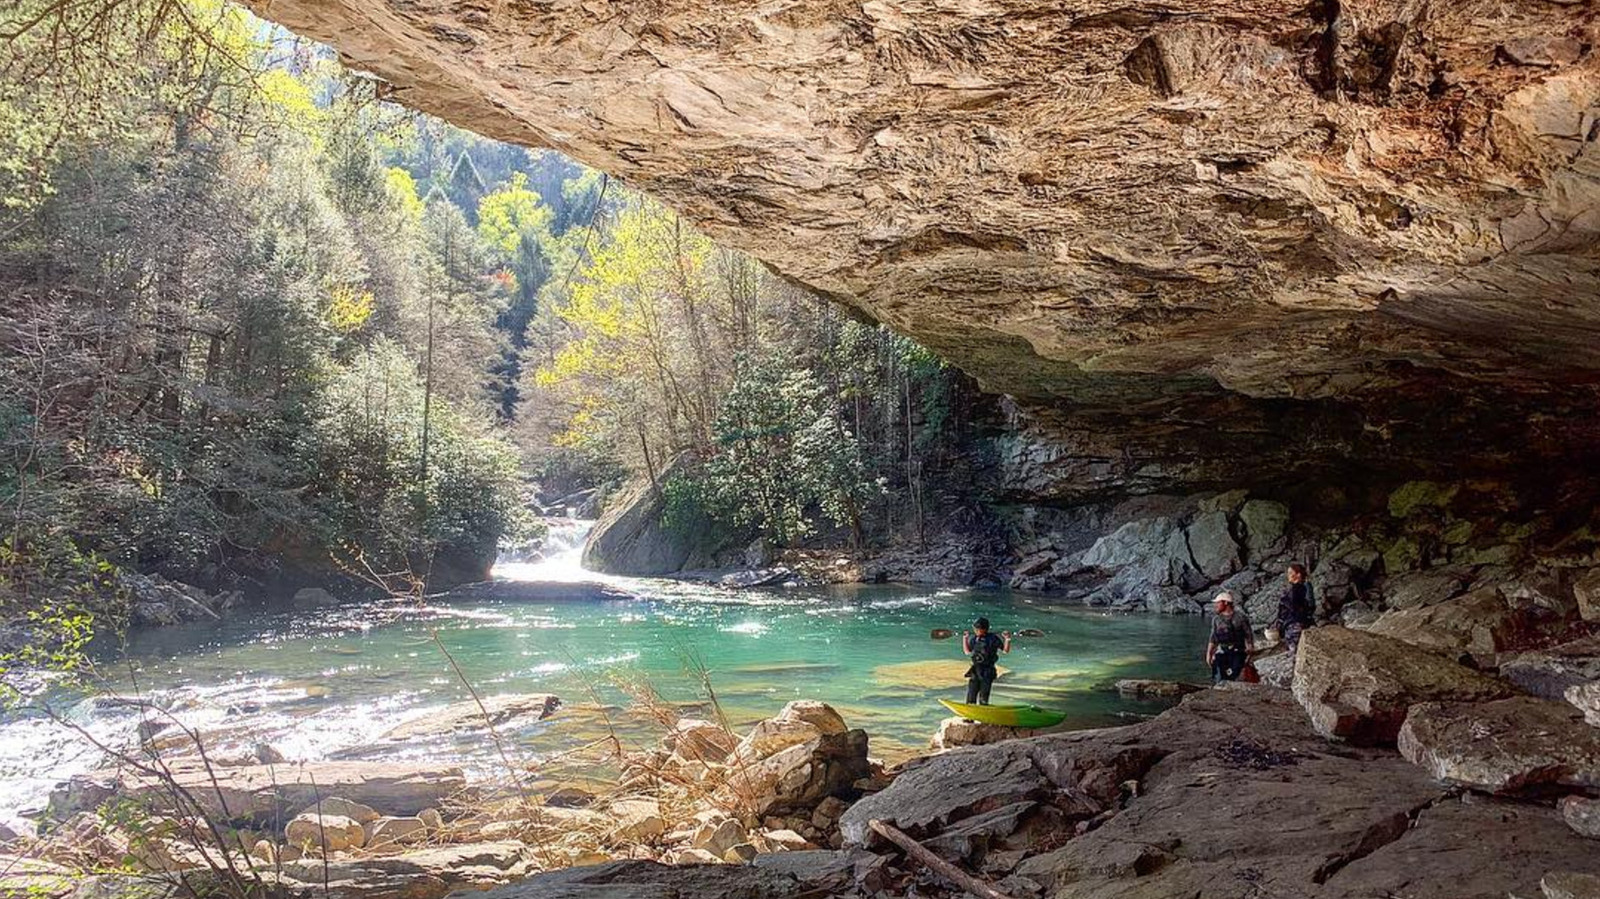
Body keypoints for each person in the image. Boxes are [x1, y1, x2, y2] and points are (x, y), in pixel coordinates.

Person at [1205, 592, 1254, 684]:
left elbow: (1248, 634)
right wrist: (1209, 654)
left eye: (1218, 602)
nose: (1216, 605)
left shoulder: (1241, 617)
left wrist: (1250, 649)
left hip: (1238, 651)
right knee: (1218, 677)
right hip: (1222, 651)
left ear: (1226, 603)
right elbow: (1213, 638)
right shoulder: (1216, 619)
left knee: (1234, 675)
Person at [961, 617, 1011, 705]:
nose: (975, 631)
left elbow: (1005, 651)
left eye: (977, 629)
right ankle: (970, 714)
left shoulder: (993, 638)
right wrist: (965, 639)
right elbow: (967, 652)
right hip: (975, 670)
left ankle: (983, 710)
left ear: (984, 629)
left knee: (984, 695)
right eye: (975, 629)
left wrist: (1007, 639)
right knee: (971, 693)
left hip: (988, 671)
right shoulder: (974, 639)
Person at [1276, 562, 1315, 660]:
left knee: (1296, 652)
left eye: (1290, 572)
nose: (1288, 575)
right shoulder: (1296, 588)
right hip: (1293, 623)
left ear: (1298, 575)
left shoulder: (1301, 587)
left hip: (1295, 623)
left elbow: (1307, 605)